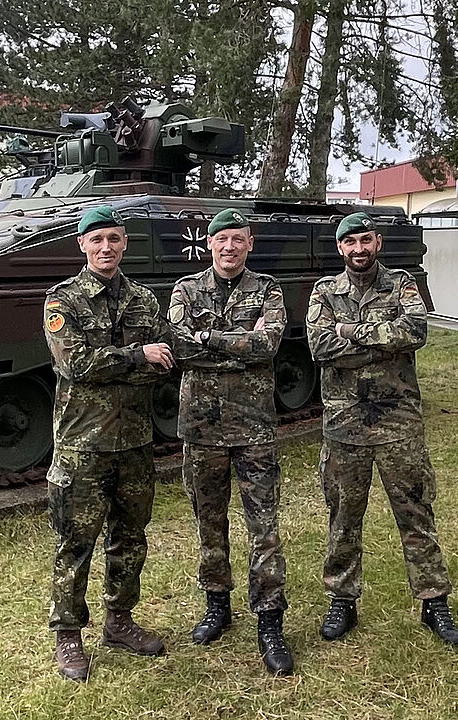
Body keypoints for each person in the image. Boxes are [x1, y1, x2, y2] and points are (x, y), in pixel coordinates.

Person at [304, 211, 458, 647]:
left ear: (378, 242)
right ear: (341, 248)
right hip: (345, 424)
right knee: (343, 518)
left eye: (365, 240)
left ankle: (434, 602)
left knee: (416, 513)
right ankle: (342, 600)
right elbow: (319, 346)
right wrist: (379, 342)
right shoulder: (324, 291)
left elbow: (415, 330)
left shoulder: (401, 284)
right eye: (350, 242)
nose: (359, 249)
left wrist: (350, 332)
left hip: (398, 423)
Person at [43, 205, 175, 682]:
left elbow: (167, 354)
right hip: (84, 445)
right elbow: (77, 364)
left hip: (135, 442)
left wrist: (149, 356)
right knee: (75, 543)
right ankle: (68, 635)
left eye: (114, 239)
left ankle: (119, 621)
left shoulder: (142, 300)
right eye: (97, 240)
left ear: (124, 244)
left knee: (130, 538)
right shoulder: (63, 302)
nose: (106, 248)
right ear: (82, 245)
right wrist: (137, 355)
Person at [167, 207, 294, 676]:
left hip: (253, 426)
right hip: (201, 428)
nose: (229, 246)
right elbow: (179, 347)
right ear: (210, 243)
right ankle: (217, 604)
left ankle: (270, 619)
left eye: (238, 239)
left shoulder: (268, 291)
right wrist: (237, 344)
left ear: (249, 244)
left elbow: (268, 346)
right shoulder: (185, 289)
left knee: (264, 524)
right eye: (221, 239)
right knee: (209, 521)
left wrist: (207, 338)